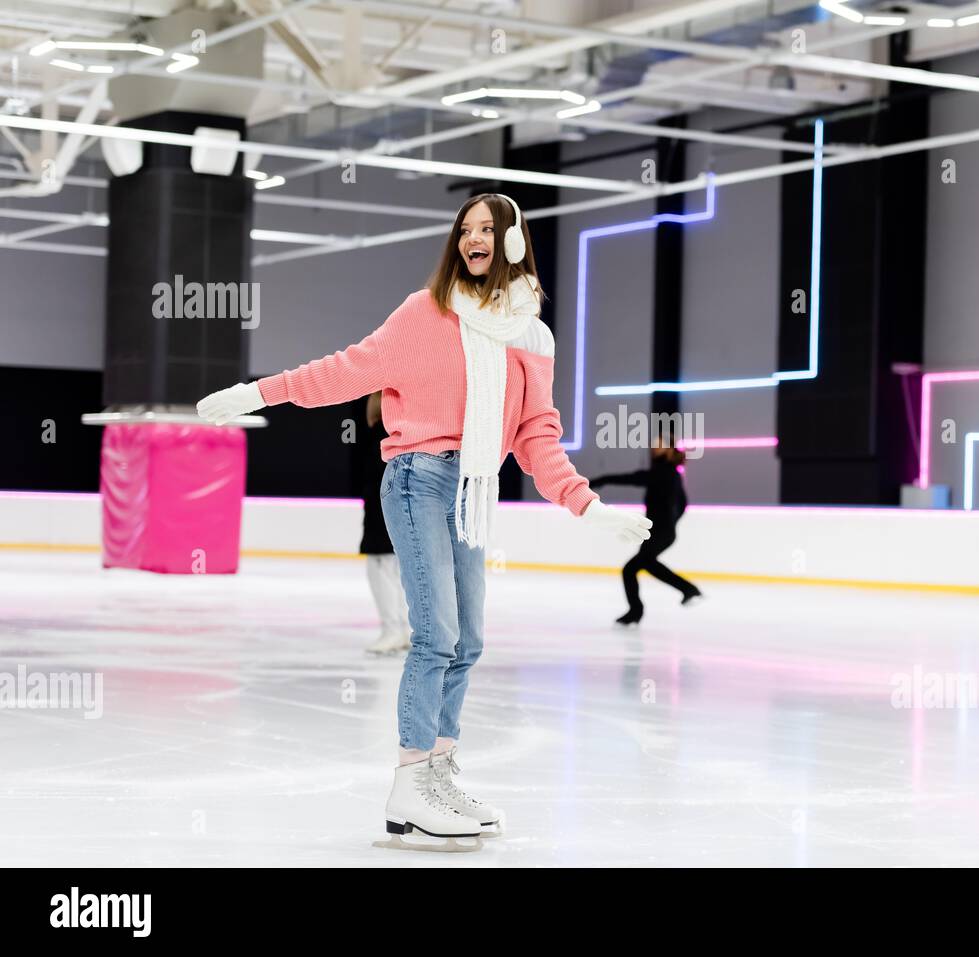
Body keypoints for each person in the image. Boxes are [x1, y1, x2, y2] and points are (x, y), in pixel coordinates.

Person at [197, 193, 651, 852]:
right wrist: (258, 392)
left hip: (473, 489)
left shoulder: (532, 337)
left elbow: (537, 438)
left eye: (488, 229)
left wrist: (590, 505)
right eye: (464, 230)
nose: (473, 239)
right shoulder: (426, 313)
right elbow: (345, 371)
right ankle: (410, 782)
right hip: (417, 479)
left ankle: (438, 771)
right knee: (434, 634)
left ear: (515, 242)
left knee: (467, 640)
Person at [589, 434, 702, 626]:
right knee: (636, 568)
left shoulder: (664, 472)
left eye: (659, 445)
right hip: (661, 531)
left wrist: (601, 480)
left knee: (635, 567)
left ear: (669, 449)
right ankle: (644, 607)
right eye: (654, 445)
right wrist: (671, 521)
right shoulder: (670, 472)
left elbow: (633, 478)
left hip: (660, 532)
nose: (654, 448)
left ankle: (684, 591)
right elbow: (683, 504)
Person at [353, 391, 410, 656]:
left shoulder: (379, 435)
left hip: (383, 513)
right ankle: (403, 629)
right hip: (399, 510)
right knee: (396, 569)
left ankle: (393, 629)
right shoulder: (404, 436)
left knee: (381, 566)